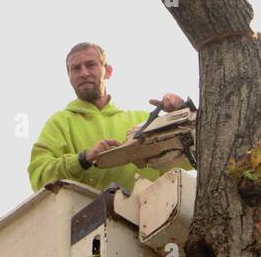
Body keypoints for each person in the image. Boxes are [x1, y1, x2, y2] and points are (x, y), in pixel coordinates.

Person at [28, 41, 191, 194]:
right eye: (76, 68)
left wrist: (183, 112)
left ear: (108, 71)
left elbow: (192, 158)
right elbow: (39, 177)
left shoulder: (143, 120)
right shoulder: (59, 123)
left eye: (91, 65)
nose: (84, 73)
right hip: (86, 221)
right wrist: (83, 159)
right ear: (69, 77)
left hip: (153, 218)